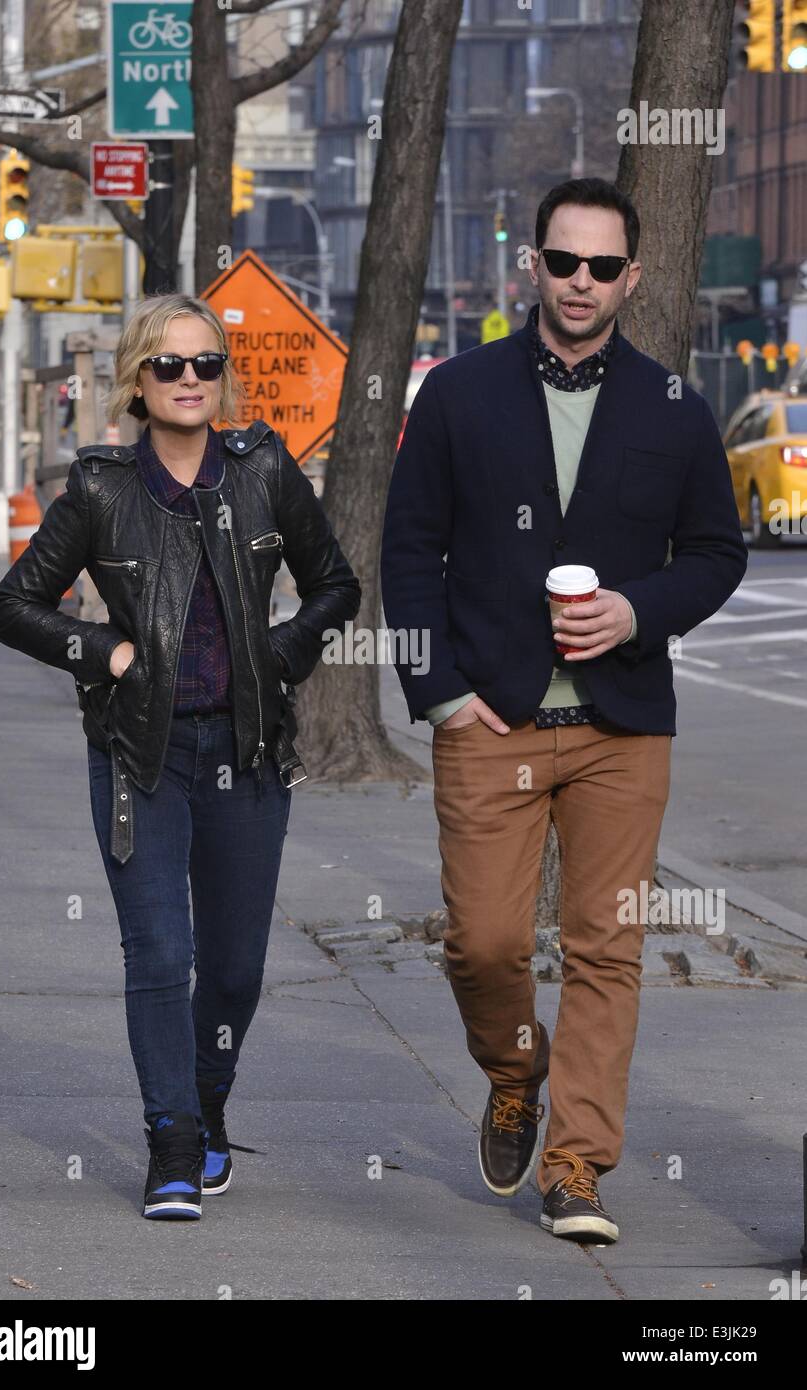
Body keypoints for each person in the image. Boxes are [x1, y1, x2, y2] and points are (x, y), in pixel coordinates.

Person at [380, 178, 748, 1244]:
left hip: (622, 726)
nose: (578, 282)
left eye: (600, 266)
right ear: (528, 266)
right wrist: (438, 692)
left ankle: (575, 1165)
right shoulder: (454, 393)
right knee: (484, 944)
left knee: (604, 950)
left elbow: (717, 555)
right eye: (561, 261)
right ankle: (511, 1068)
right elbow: (408, 553)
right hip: (485, 718)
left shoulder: (673, 408)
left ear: (630, 277)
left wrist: (636, 608)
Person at [0, 292, 360, 1220]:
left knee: (233, 969)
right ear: (138, 380)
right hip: (139, 754)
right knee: (159, 954)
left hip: (248, 749)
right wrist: (103, 650)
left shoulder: (263, 468)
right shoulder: (104, 487)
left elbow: (334, 585)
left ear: (220, 377)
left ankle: (207, 1105)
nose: (188, 381)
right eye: (168, 365)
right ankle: (173, 1145)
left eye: (203, 364)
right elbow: (13, 605)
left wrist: (277, 655)